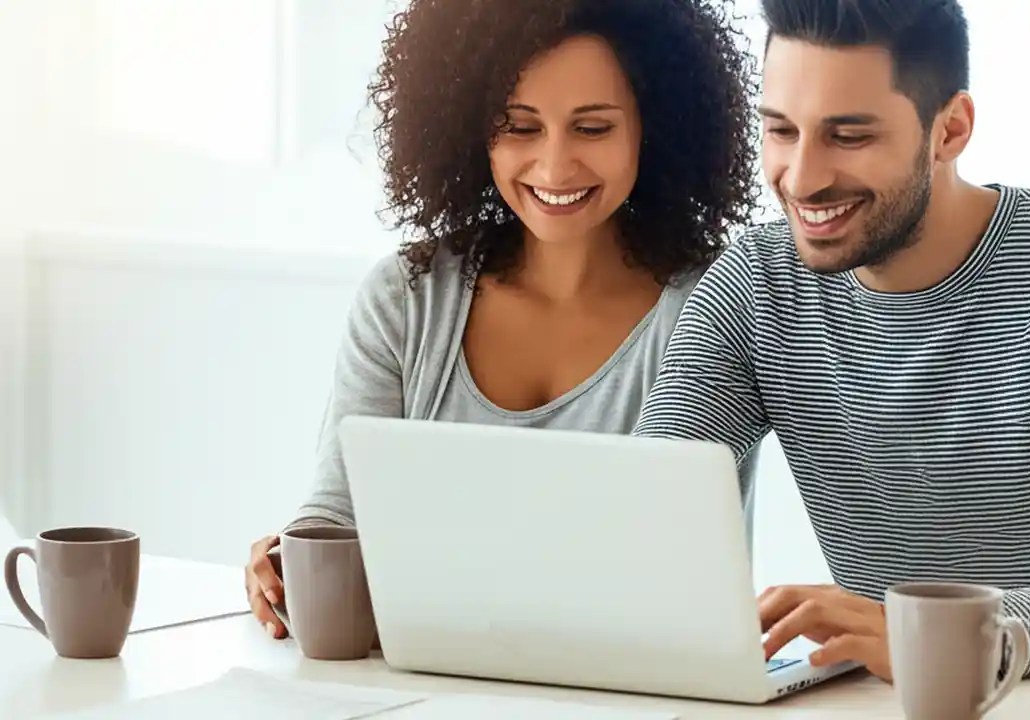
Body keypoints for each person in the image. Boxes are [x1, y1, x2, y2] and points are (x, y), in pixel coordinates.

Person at [634, 0, 1030, 684]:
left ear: (950, 129)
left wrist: (944, 636)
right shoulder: (753, 286)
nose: (801, 178)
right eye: (780, 131)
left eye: (849, 136)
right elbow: (644, 528)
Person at [243, 0, 759, 639]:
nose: (554, 166)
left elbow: (671, 577)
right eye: (519, 127)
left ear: (654, 127)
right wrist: (290, 563)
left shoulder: (720, 301)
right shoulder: (407, 298)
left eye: (593, 128)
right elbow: (337, 515)